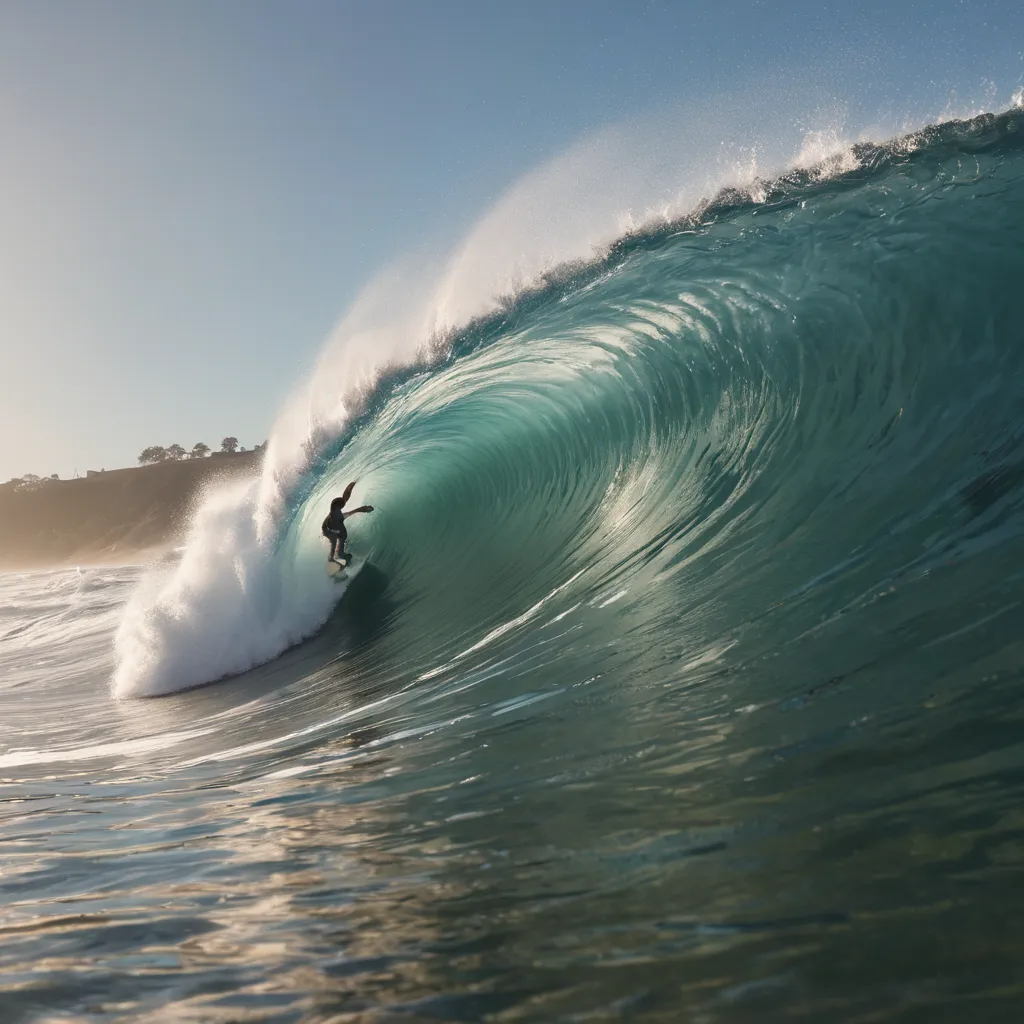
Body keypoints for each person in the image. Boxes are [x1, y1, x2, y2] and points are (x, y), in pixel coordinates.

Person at [322, 480, 373, 565]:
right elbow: (346, 514)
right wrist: (361, 509)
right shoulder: (336, 517)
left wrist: (351, 486)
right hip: (329, 530)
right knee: (340, 543)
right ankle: (338, 560)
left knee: (341, 539)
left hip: (330, 528)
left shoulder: (335, 510)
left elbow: (344, 501)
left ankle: (338, 555)